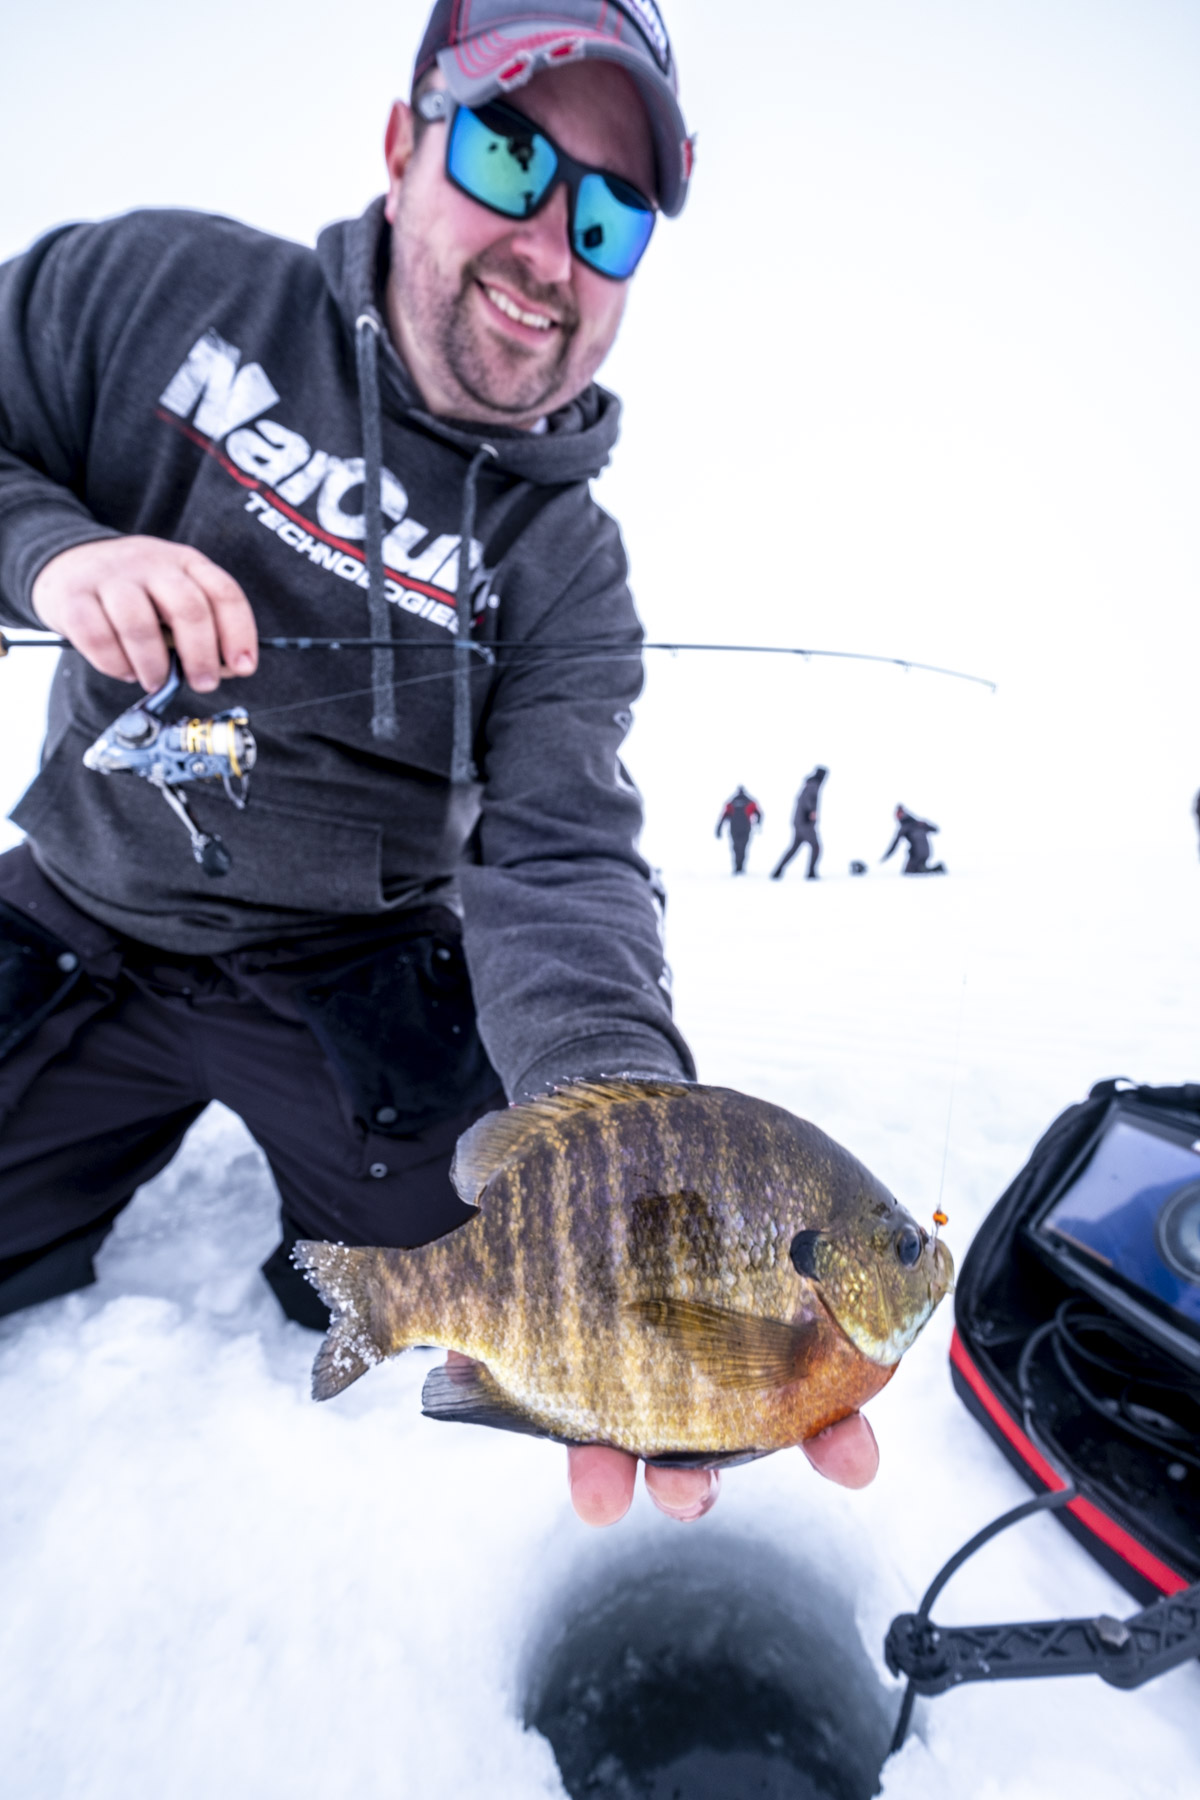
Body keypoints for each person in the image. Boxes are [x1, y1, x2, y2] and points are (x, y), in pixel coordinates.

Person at [0, 0, 877, 1526]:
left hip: (352, 966)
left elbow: (560, 853)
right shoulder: (151, 289)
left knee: (492, 1277)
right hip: (81, 901)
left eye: (610, 218)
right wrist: (51, 552)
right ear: (404, 140)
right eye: (508, 154)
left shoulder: (567, 565)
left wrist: (616, 1118)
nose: (551, 246)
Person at [771, 766, 827, 881]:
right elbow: (806, 800)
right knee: (816, 847)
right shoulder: (814, 785)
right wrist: (811, 811)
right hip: (805, 823)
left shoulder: (808, 784)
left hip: (798, 823)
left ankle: (777, 871)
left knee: (794, 848)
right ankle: (811, 873)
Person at [882, 806, 947, 875]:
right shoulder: (918, 823)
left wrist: (886, 856)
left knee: (909, 871)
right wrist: (925, 824)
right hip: (926, 852)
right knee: (917, 869)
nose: (897, 816)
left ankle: (933, 868)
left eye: (899, 814)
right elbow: (935, 829)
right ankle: (935, 868)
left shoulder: (905, 827)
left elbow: (895, 844)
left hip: (916, 854)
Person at [715, 785, 763, 874]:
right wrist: (758, 824)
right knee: (743, 847)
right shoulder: (750, 802)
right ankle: (741, 867)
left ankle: (737, 867)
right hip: (746, 828)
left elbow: (724, 816)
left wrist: (719, 828)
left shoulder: (731, 802)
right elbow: (759, 814)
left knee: (736, 847)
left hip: (734, 828)